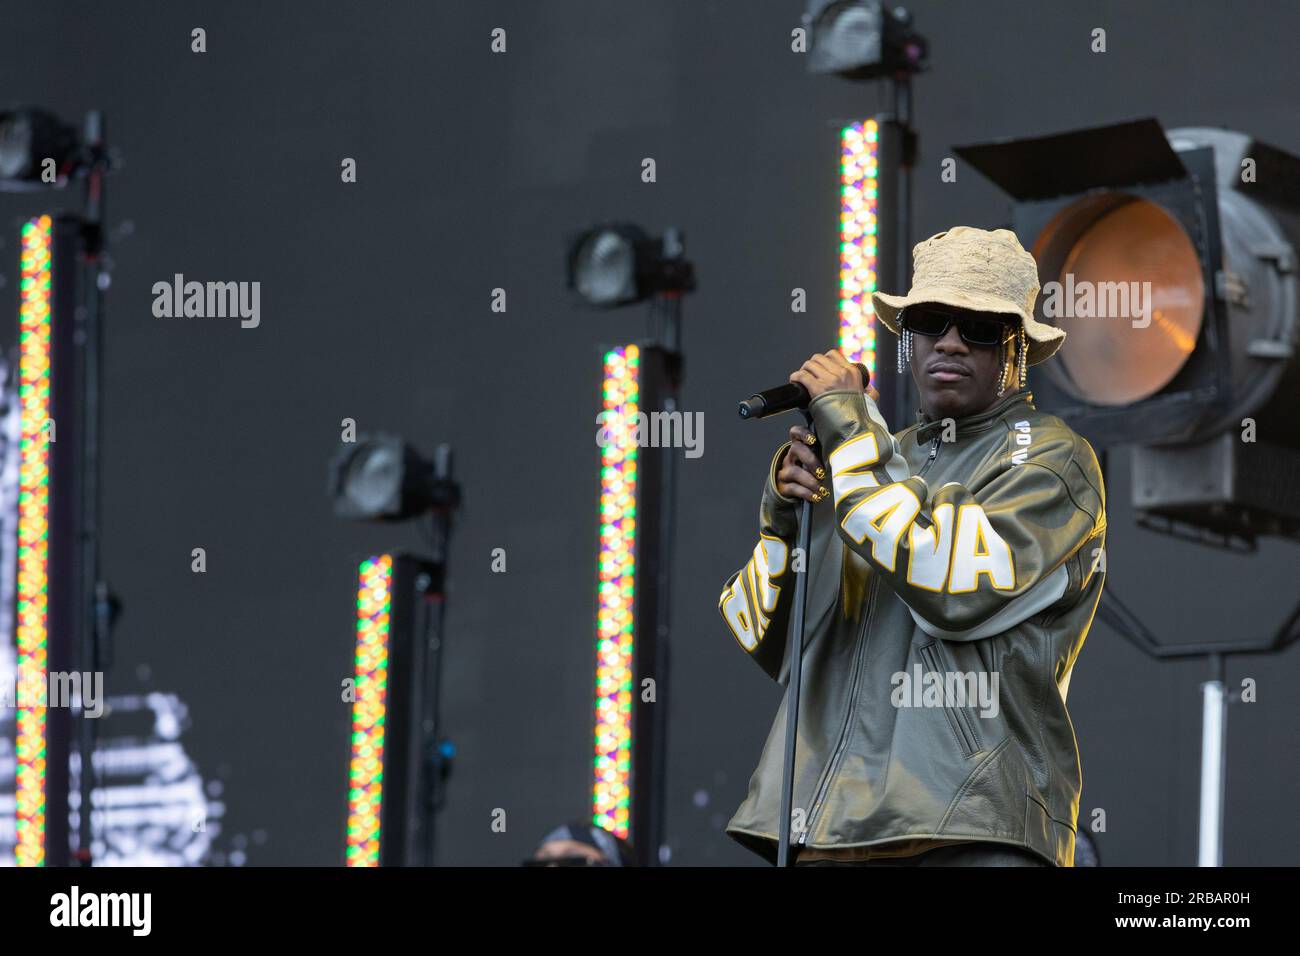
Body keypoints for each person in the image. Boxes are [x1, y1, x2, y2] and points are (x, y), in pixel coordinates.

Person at [717, 227, 1107, 866]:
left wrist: (849, 435)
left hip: (970, 829)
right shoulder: (869, 460)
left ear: (1017, 347)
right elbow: (768, 640)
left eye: (977, 326)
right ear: (908, 340)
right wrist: (787, 518)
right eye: (930, 321)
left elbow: (952, 589)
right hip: (827, 832)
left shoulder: (1051, 457)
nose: (949, 341)